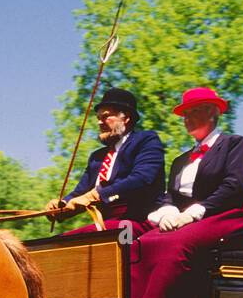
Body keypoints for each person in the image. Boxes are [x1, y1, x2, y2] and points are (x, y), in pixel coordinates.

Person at [126, 86, 243, 298]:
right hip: (186, 220)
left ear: (212, 113)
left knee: (175, 242)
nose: (187, 119)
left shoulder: (235, 145)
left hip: (226, 215)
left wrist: (194, 213)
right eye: (185, 114)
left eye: (193, 112)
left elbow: (234, 185)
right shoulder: (181, 160)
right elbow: (169, 195)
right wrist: (167, 212)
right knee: (140, 243)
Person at [46, 87, 165, 226]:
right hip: (104, 223)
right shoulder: (97, 157)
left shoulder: (146, 140)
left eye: (105, 117)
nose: (99, 122)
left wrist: (95, 195)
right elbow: (80, 193)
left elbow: (141, 178)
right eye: (98, 118)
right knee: (58, 243)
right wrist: (61, 205)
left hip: (138, 220)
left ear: (125, 118)